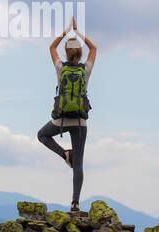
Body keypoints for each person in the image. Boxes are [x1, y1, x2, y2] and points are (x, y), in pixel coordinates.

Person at [36, 16, 96, 213]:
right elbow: (94, 49)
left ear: (66, 52)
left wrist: (66, 31)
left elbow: (51, 47)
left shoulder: (60, 67)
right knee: (78, 165)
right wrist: (78, 32)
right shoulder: (85, 69)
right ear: (79, 53)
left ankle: (64, 154)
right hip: (80, 122)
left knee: (42, 135)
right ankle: (75, 204)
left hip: (61, 120)